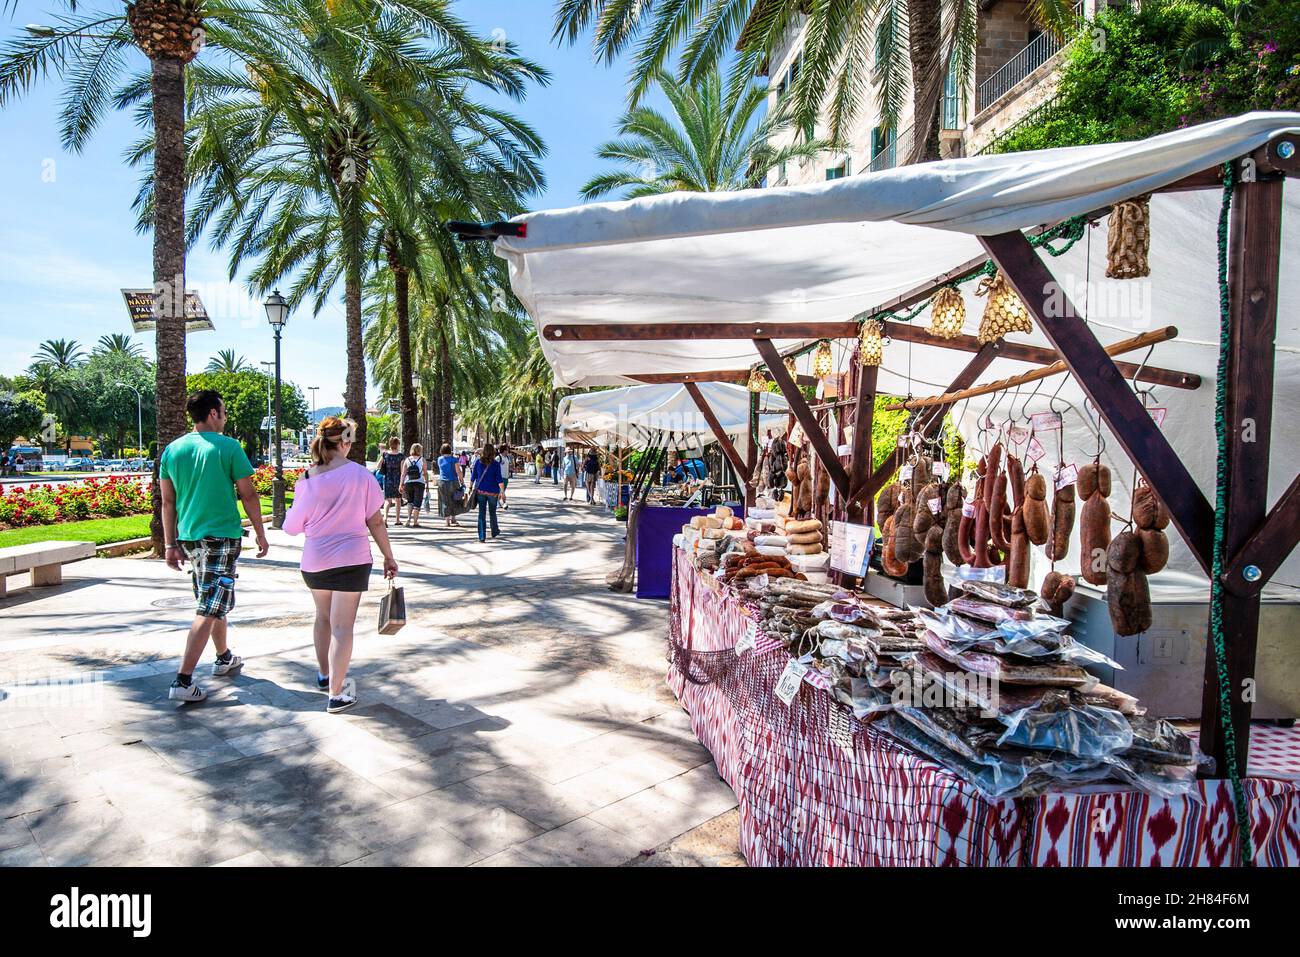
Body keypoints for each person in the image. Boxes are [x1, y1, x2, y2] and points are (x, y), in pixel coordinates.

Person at [159, 389, 269, 703]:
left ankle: (223, 657)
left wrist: (170, 544)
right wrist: (260, 532)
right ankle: (182, 681)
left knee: (212, 599)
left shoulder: (172, 450)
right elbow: (248, 495)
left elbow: (168, 502)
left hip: (190, 539)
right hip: (221, 539)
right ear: (212, 414)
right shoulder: (229, 447)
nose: (225, 416)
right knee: (208, 606)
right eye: (223, 411)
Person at [282, 417, 397, 713]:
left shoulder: (308, 478)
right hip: (352, 558)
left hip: (316, 560)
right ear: (344, 441)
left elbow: (292, 527)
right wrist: (388, 556)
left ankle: (324, 675)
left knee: (322, 618)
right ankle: (337, 692)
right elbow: (375, 520)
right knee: (342, 626)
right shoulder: (362, 476)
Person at [470, 442, 504, 542]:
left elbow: (473, 476)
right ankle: (494, 531)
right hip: (493, 493)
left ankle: (482, 536)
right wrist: (502, 491)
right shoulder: (495, 464)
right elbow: (499, 479)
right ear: (493, 452)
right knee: (492, 512)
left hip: (480, 491)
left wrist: (470, 487)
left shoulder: (478, 462)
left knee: (481, 513)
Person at [436, 442, 464, 528]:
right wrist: (462, 480)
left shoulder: (439, 459)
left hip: (442, 482)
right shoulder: (454, 459)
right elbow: (458, 471)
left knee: (444, 500)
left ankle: (447, 521)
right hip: (453, 481)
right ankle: (453, 519)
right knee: (455, 499)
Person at [379, 437, 405, 526]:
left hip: (387, 479)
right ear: (397, 444)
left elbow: (378, 466)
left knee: (387, 500)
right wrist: (402, 483)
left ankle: (385, 518)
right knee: (398, 500)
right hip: (397, 480)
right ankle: (397, 520)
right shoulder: (401, 456)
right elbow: (402, 470)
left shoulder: (385, 454)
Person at [401, 443, 428, 528]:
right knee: (417, 502)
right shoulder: (422, 459)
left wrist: (401, 484)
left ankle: (408, 519)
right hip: (419, 483)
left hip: (408, 482)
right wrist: (427, 484)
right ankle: (415, 522)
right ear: (420, 450)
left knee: (410, 501)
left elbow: (403, 473)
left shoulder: (407, 460)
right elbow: (425, 473)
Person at [498, 445, 513, 510]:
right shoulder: (498, 458)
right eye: (507, 450)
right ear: (504, 450)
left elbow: (508, 465)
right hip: (500, 477)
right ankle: (500, 503)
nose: (508, 451)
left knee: (503, 491)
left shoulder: (507, 458)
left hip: (506, 477)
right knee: (500, 492)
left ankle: (501, 503)